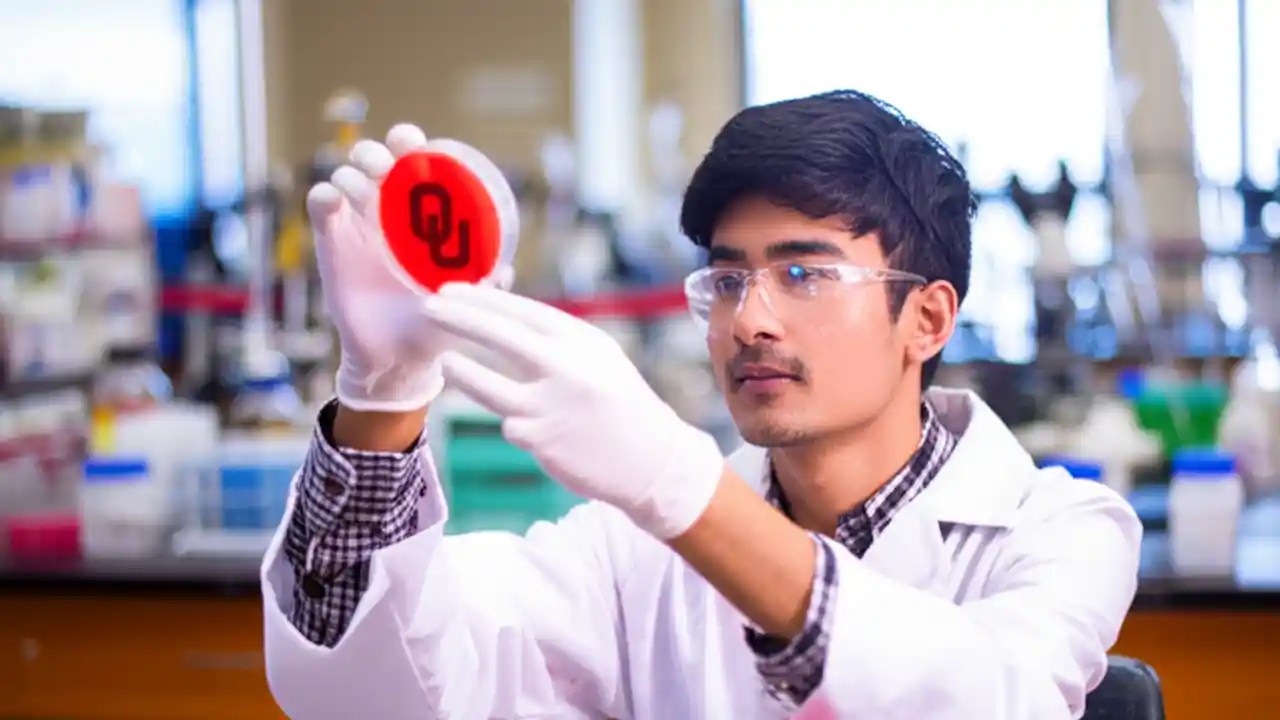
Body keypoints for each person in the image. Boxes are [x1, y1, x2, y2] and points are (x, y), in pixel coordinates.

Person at [261, 90, 1142, 719]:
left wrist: (681, 489)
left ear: (927, 316)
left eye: (803, 273)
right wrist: (382, 396)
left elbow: (994, 699)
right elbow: (384, 691)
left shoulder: (1060, 531)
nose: (749, 319)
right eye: (727, 278)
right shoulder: (629, 554)